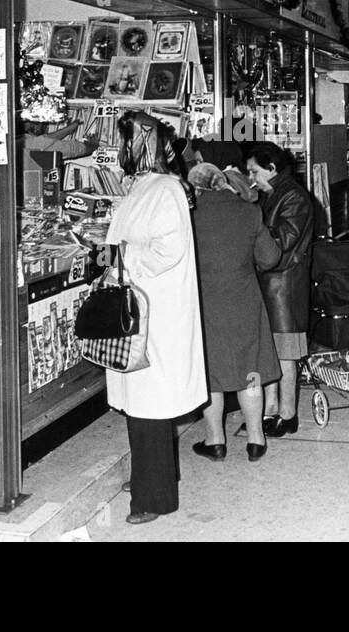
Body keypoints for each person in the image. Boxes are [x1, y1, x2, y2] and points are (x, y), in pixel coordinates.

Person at [104, 112, 206, 524]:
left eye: (126, 140)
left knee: (150, 408)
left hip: (156, 315)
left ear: (141, 145)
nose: (120, 149)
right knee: (142, 406)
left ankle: (154, 497)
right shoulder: (142, 188)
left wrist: (123, 258)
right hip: (139, 310)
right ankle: (151, 476)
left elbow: (169, 249)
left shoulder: (165, 190)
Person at [187, 163, 281, 463]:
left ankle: (215, 442)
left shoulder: (189, 215)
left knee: (211, 372)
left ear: (197, 188)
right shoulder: (249, 211)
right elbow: (269, 259)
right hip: (243, 301)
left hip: (204, 303)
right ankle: (255, 440)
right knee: (249, 368)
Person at [247, 144, 315, 438]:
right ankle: (271, 409)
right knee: (271, 352)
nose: (251, 178)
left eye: (254, 171)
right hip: (272, 282)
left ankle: (288, 415)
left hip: (284, 285)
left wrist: (250, 229)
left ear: (272, 168)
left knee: (286, 354)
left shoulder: (293, 197)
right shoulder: (276, 193)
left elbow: (284, 238)